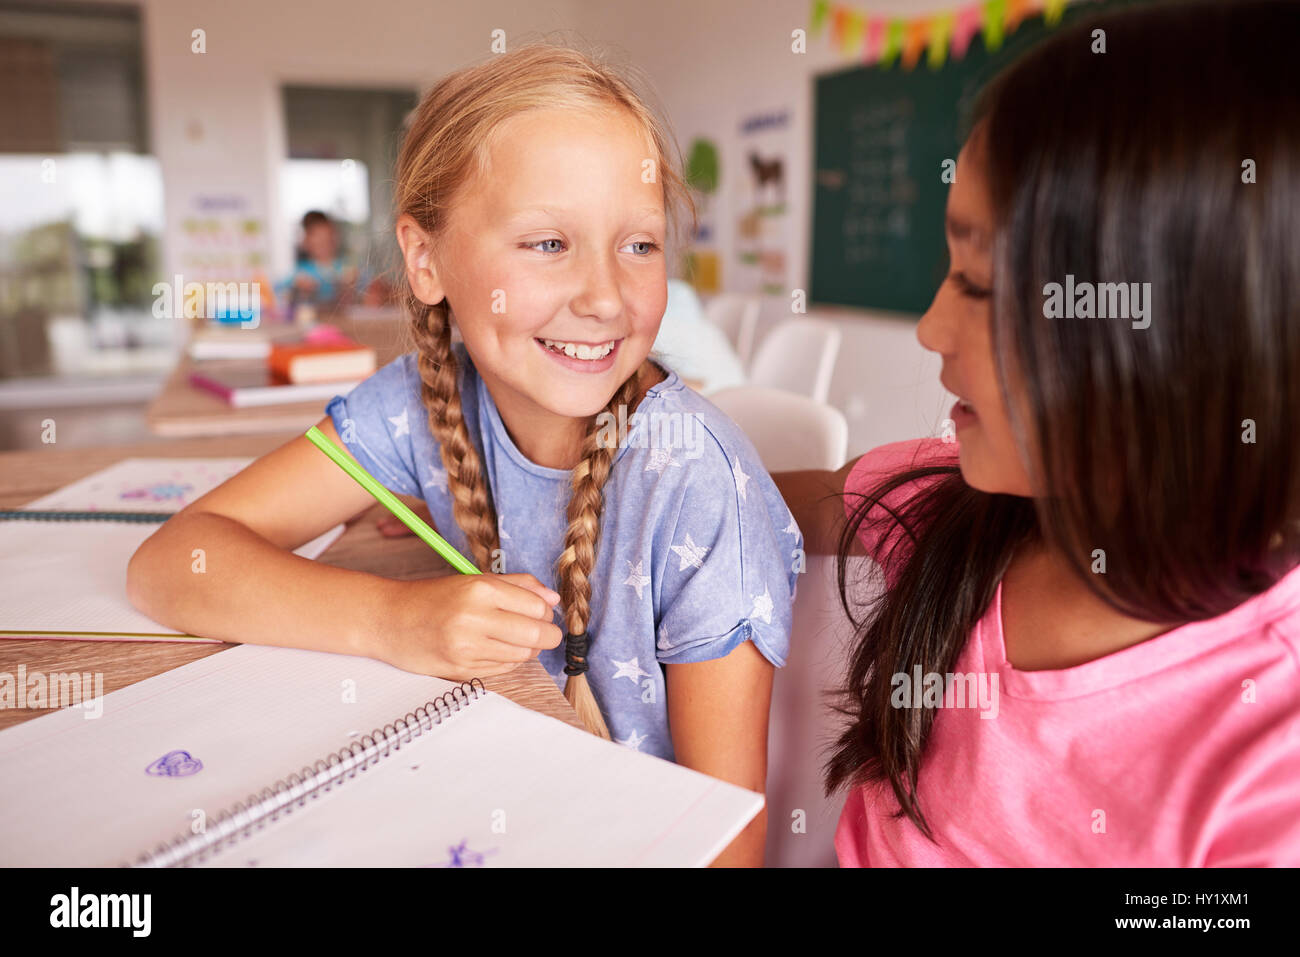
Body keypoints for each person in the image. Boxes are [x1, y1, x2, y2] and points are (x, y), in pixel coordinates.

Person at [128, 42, 799, 866]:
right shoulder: (420, 400)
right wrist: (395, 619)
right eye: (549, 243)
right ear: (425, 259)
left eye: (640, 245)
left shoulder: (695, 480)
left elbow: (731, 846)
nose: (604, 296)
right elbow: (173, 562)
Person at [778, 0, 1300, 866]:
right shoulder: (941, 505)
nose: (931, 328)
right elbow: (766, 495)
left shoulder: (1270, 745)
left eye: (979, 285)